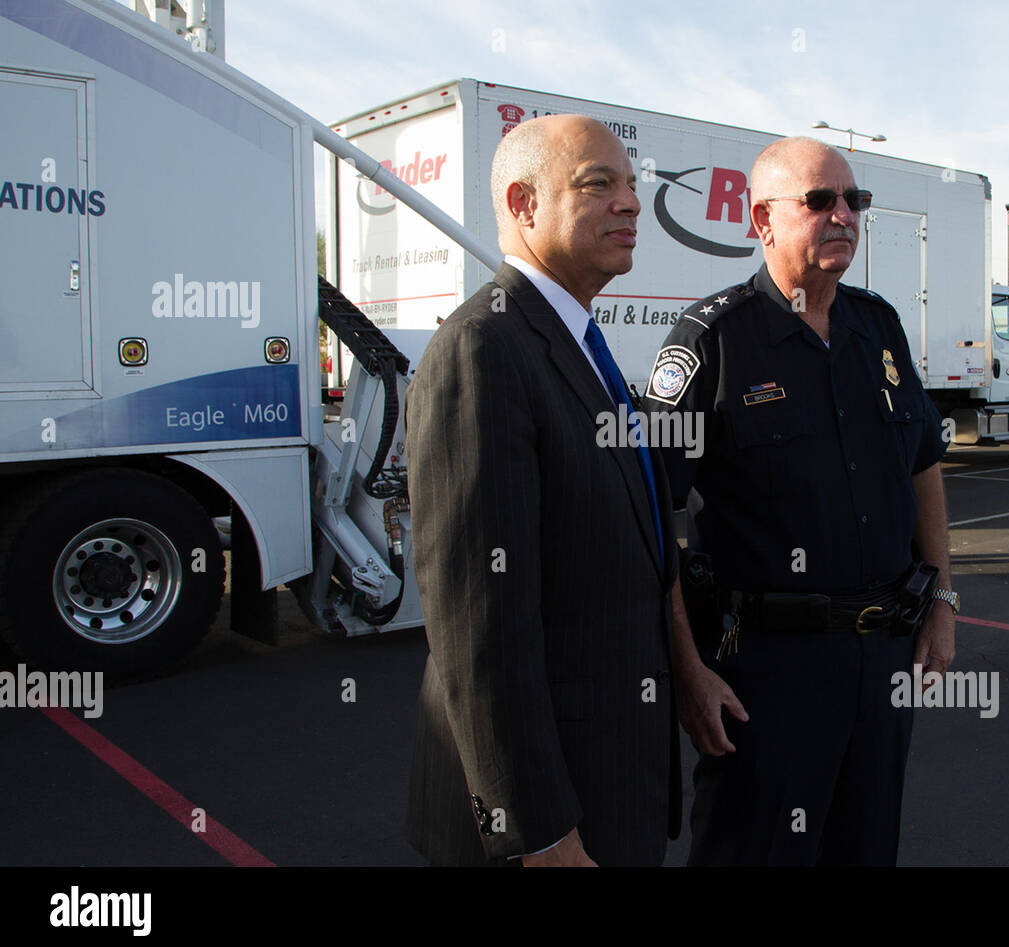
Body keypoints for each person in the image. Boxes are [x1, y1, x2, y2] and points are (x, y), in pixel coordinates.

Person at [643, 136, 957, 866]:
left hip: (884, 662)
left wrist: (943, 598)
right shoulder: (711, 342)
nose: (844, 215)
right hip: (766, 676)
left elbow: (924, 464)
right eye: (820, 201)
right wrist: (687, 671)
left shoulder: (877, 327)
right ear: (763, 221)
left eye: (855, 201)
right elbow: (652, 517)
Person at [403, 114, 679, 867]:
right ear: (523, 204)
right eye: (600, 185)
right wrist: (542, 835)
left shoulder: (580, 345)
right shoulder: (482, 351)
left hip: (610, 788)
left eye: (633, 185)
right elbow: (477, 629)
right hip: (549, 824)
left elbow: (636, 543)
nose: (631, 203)